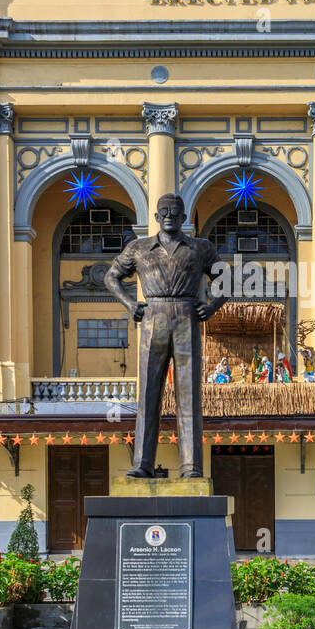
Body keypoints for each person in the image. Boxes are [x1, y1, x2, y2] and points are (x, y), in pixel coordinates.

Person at [104, 193, 226, 477]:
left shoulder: (200, 247)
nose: (169, 215)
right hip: (152, 317)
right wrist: (130, 304)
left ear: (184, 218)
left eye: (175, 211)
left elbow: (225, 278)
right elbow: (111, 277)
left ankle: (191, 467)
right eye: (163, 211)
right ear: (156, 218)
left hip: (187, 316)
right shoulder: (139, 247)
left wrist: (212, 305)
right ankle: (142, 465)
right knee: (148, 396)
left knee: (189, 396)